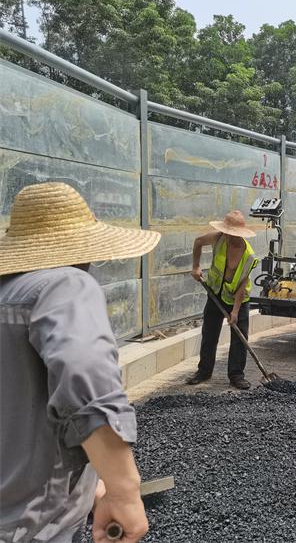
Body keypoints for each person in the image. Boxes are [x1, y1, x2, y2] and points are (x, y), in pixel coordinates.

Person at [0, 182, 158, 543]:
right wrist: (123, 491)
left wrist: (90, 486)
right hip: (34, 524)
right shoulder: (65, 285)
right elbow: (83, 377)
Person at [186, 210, 259, 390]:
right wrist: (196, 266)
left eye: (230, 233)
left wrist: (235, 311)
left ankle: (236, 375)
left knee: (239, 338)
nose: (226, 235)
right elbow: (198, 242)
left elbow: (242, 284)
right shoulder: (219, 238)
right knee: (209, 334)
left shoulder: (249, 256)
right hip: (215, 292)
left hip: (238, 298)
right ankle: (204, 371)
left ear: (239, 234)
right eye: (226, 231)